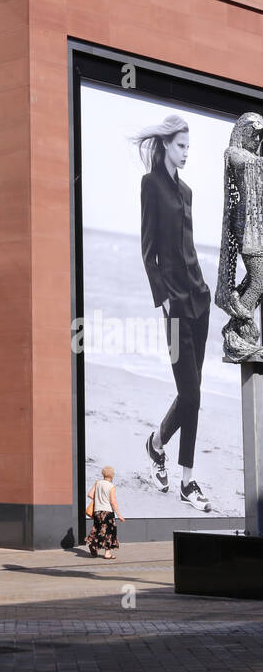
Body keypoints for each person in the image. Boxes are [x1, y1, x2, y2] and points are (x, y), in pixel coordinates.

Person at [136, 115, 213, 513]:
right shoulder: (151, 185)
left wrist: (203, 289)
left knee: (191, 394)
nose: (185, 152)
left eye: (188, 146)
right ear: (166, 144)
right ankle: (187, 481)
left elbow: (189, 247)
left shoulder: (187, 191)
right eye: (180, 145)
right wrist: (163, 300)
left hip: (199, 300)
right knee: (192, 394)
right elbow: (148, 249)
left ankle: (156, 444)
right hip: (174, 308)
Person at [215, 112, 263, 361]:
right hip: (247, 231)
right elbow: (246, 164)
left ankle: (238, 322)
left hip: (258, 229)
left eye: (259, 137)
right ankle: (242, 327)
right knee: (259, 281)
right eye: (253, 135)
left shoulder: (255, 158)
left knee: (256, 281)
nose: (256, 141)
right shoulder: (234, 154)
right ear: (242, 133)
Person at [85, 466, 125, 558]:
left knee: (97, 528)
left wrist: (99, 499)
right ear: (112, 475)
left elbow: (90, 494)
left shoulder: (98, 483)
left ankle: (93, 544)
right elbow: (113, 502)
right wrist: (119, 515)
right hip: (107, 512)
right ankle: (107, 553)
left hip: (97, 511)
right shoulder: (111, 486)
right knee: (109, 532)